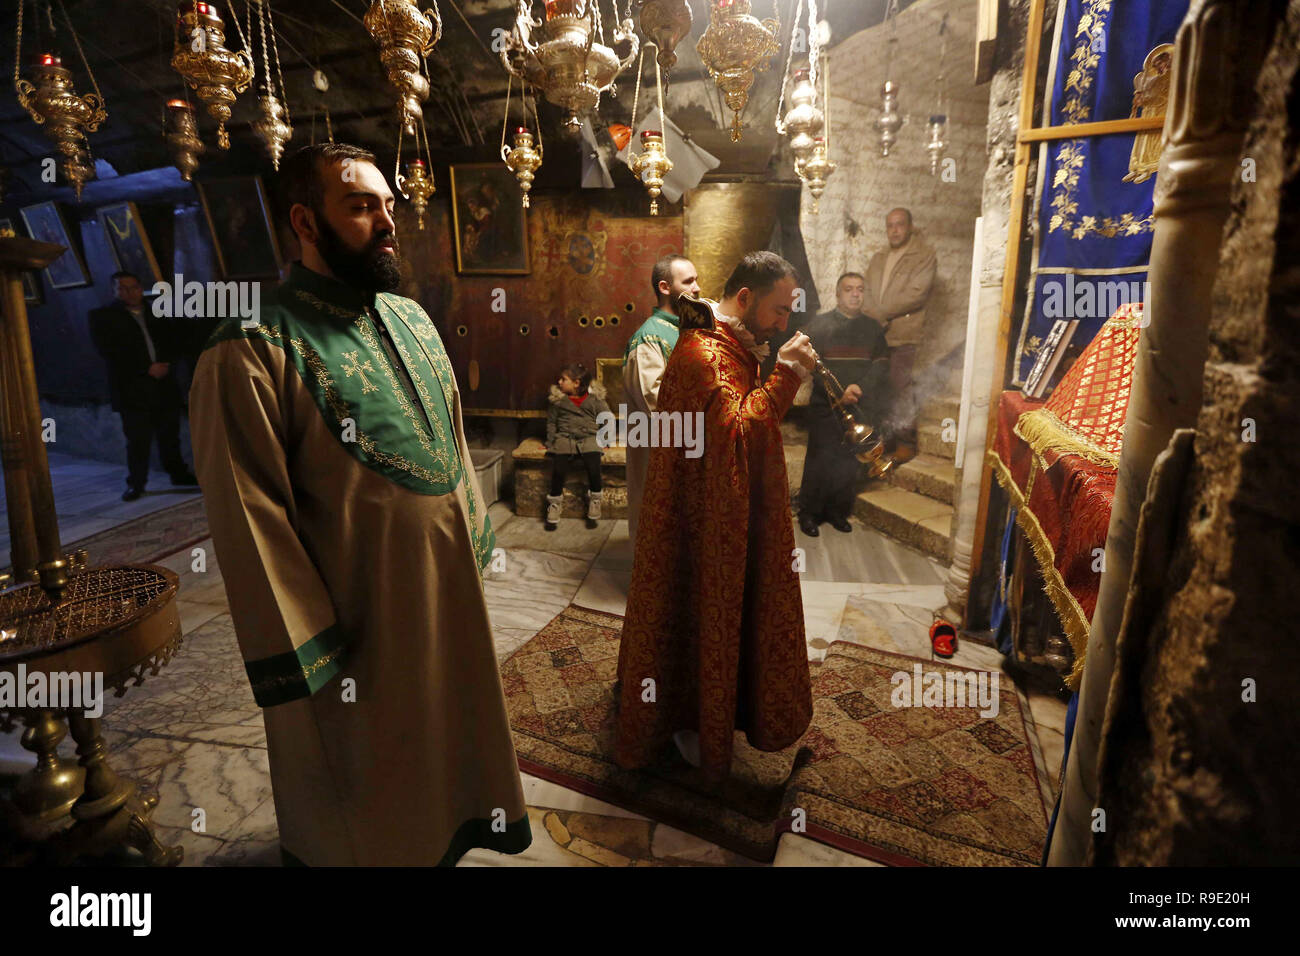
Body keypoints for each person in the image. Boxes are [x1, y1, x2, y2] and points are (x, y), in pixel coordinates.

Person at [189, 142, 531, 866]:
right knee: (363, 785)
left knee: (445, 746)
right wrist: (306, 645)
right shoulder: (250, 344)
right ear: (306, 223)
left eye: (388, 205)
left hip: (445, 596)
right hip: (355, 622)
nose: (387, 221)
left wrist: (471, 539)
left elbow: (453, 442)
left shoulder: (409, 318)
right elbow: (248, 512)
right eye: (362, 206)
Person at [614, 251, 817, 778]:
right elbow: (740, 433)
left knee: (712, 613)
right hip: (695, 514)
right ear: (745, 298)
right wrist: (789, 375)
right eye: (778, 310)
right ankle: (686, 721)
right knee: (693, 609)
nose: (783, 323)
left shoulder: (730, 342)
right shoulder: (705, 352)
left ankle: (711, 712)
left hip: (718, 505)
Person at [88, 271, 198, 501]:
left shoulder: (157, 312)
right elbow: (110, 351)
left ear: (141, 287)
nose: (129, 292)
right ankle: (136, 483)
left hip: (164, 384)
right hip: (132, 389)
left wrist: (166, 363)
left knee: (170, 434)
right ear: (115, 291)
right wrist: (145, 368)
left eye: (134, 287)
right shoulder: (103, 317)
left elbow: (173, 340)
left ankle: (178, 473)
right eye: (123, 288)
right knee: (138, 440)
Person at [797, 272, 887, 536]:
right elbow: (813, 365)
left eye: (860, 289)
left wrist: (860, 388)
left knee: (849, 462)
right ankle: (809, 513)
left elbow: (881, 365)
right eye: (849, 289)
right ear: (837, 294)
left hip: (859, 404)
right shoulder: (820, 325)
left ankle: (837, 512)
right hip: (826, 405)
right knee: (820, 460)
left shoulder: (874, 328)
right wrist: (839, 393)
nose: (855, 294)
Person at [622, 253, 700, 545]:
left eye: (697, 280)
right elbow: (656, 403)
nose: (697, 288)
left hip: (690, 445)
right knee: (658, 530)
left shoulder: (688, 329)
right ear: (665, 287)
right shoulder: (649, 338)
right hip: (661, 451)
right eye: (689, 281)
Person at [861, 208, 937, 448]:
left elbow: (917, 294)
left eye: (899, 225)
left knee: (899, 385)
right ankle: (883, 440)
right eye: (890, 226)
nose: (894, 230)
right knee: (878, 385)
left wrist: (879, 314)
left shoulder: (924, 255)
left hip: (904, 333)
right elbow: (867, 292)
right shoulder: (878, 257)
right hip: (876, 333)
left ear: (910, 227)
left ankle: (905, 443)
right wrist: (872, 318)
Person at [545, 362, 610, 531]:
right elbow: (551, 423)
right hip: (565, 438)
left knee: (594, 467)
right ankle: (554, 504)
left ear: (576, 383)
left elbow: (606, 418)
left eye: (563, 379)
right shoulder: (558, 402)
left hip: (589, 438)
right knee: (558, 470)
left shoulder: (594, 400)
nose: (559, 382)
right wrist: (551, 442)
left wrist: (604, 440)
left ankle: (595, 500)